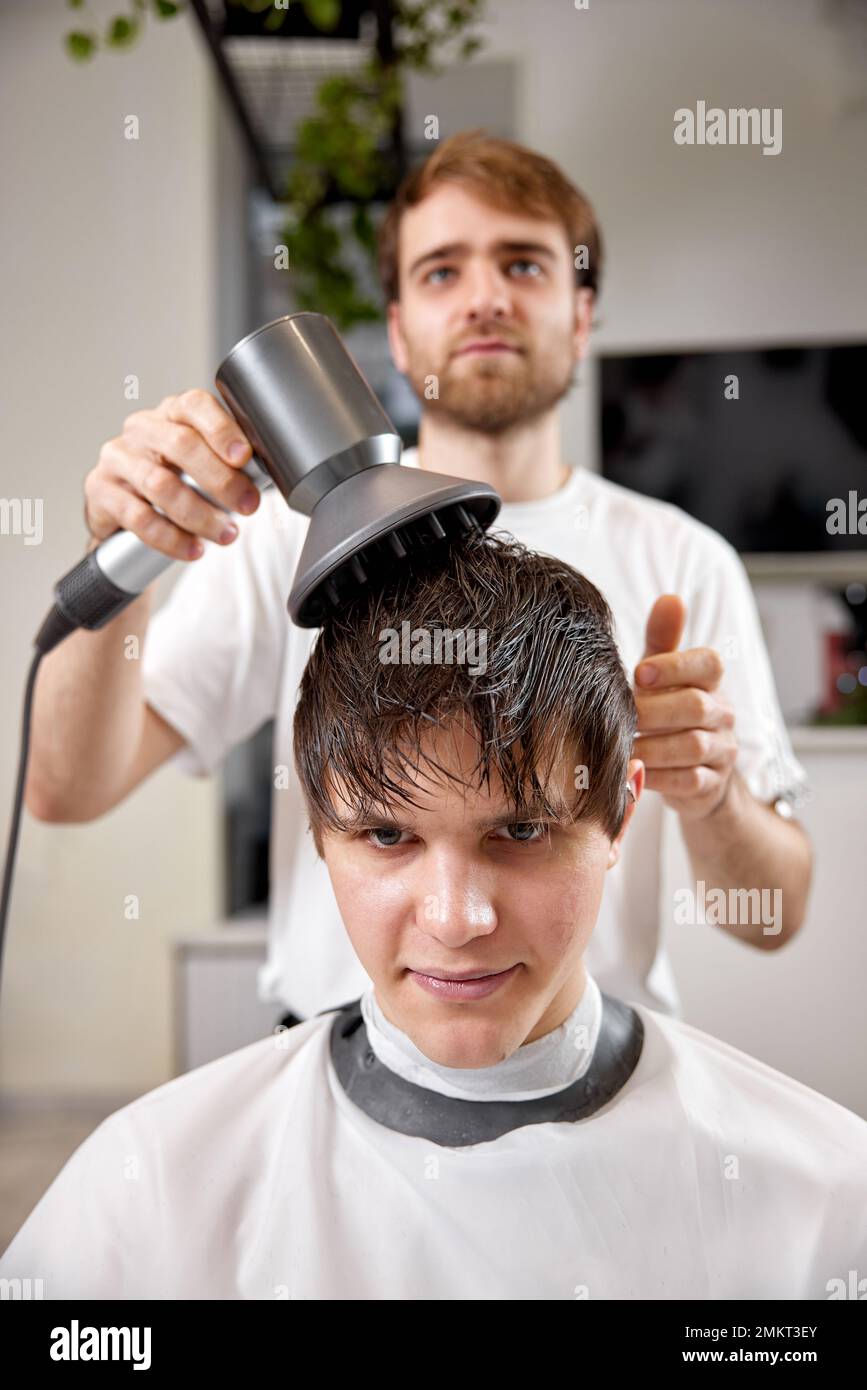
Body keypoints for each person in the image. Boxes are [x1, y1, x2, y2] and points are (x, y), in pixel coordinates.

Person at [23, 130, 812, 1027]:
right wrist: (129, 553)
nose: (484, 297)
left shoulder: (681, 560)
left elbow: (775, 917)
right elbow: (65, 786)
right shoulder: (285, 539)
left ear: (581, 315)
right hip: (334, 1069)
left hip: (589, 1082)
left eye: (522, 264)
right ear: (396, 333)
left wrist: (713, 797)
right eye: (442, 271)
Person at [1, 534, 861, 1300]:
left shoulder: (813, 1190)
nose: (455, 920)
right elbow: (66, 779)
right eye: (384, 833)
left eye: (520, 830)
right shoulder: (157, 1181)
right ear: (314, 824)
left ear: (619, 819)